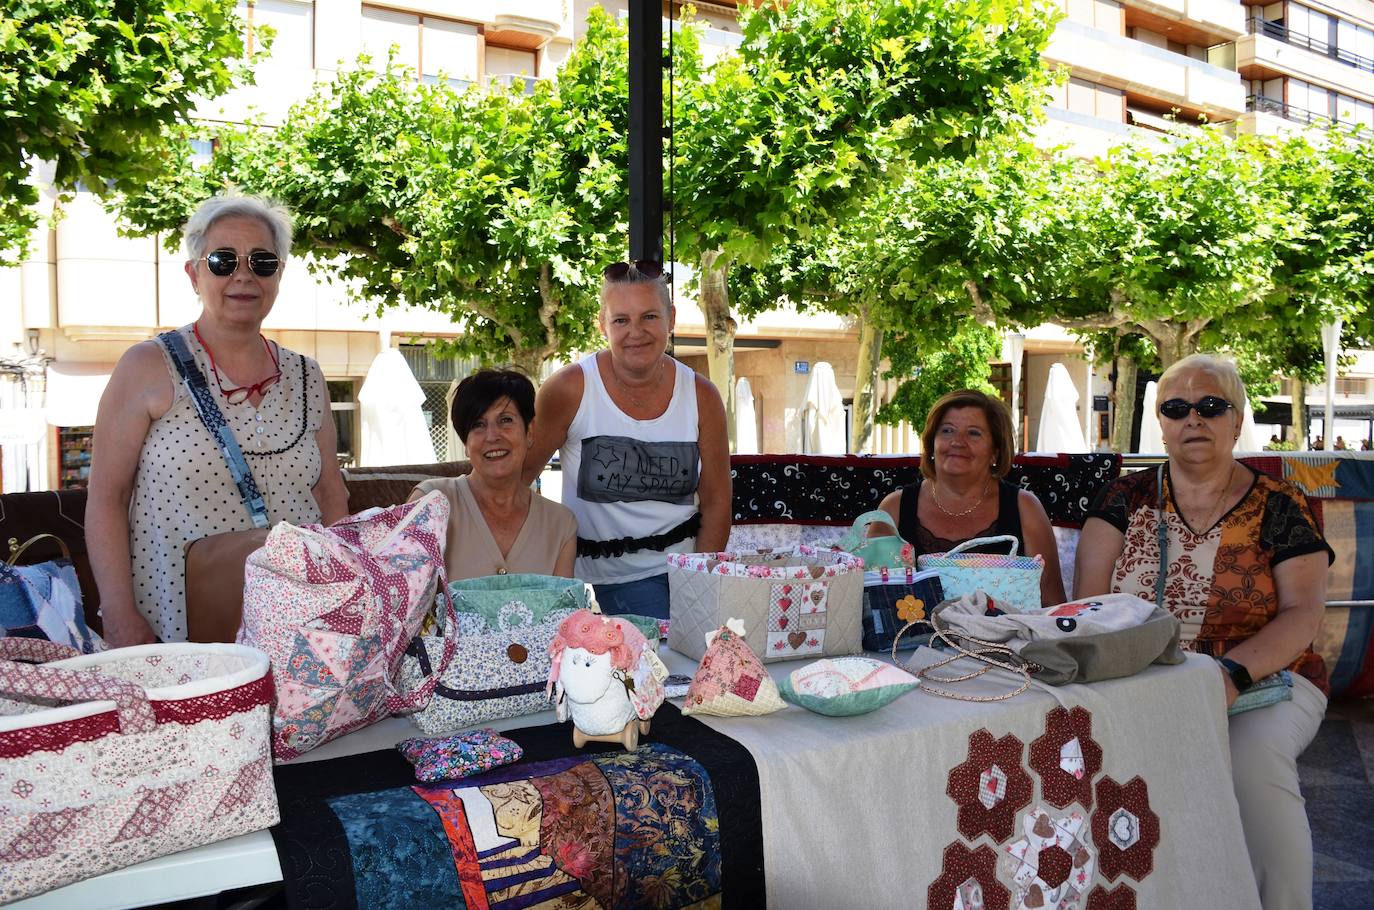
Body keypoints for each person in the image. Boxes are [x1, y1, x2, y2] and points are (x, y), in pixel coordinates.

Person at [1074, 354, 1330, 910]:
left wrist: (1228, 675)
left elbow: (1304, 614)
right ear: (1161, 423)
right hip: (1141, 679)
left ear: (1237, 421)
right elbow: (1090, 611)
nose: (1194, 419)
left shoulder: (1281, 505)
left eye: (1211, 406)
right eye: (1176, 408)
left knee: (1251, 761)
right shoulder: (1123, 499)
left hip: (1266, 680)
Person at [87, 194, 349, 647]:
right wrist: (119, 614)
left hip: (300, 631)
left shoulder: (308, 376)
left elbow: (330, 493)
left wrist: (345, 592)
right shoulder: (148, 366)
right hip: (178, 625)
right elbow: (107, 498)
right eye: (223, 260)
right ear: (194, 273)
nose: (243, 275)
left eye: (262, 262)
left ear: (279, 275)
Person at [523, 260, 731, 617]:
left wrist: (697, 586)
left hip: (689, 568)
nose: (636, 332)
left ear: (672, 319)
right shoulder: (569, 389)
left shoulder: (702, 396)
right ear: (602, 324)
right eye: (621, 320)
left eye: (649, 316)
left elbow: (716, 500)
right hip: (616, 578)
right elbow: (518, 479)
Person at [874, 389, 1067, 606]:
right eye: (947, 430)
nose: (958, 441)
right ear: (931, 444)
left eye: (973, 433)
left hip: (1009, 639)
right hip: (910, 639)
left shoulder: (1025, 508)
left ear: (995, 451)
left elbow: (1053, 606)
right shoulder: (894, 508)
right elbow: (873, 601)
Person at [408, 369, 576, 580]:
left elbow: (566, 612)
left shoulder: (560, 524)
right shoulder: (431, 502)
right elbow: (407, 601)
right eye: (478, 425)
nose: (492, 436)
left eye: (505, 420)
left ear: (530, 432)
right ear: (466, 444)